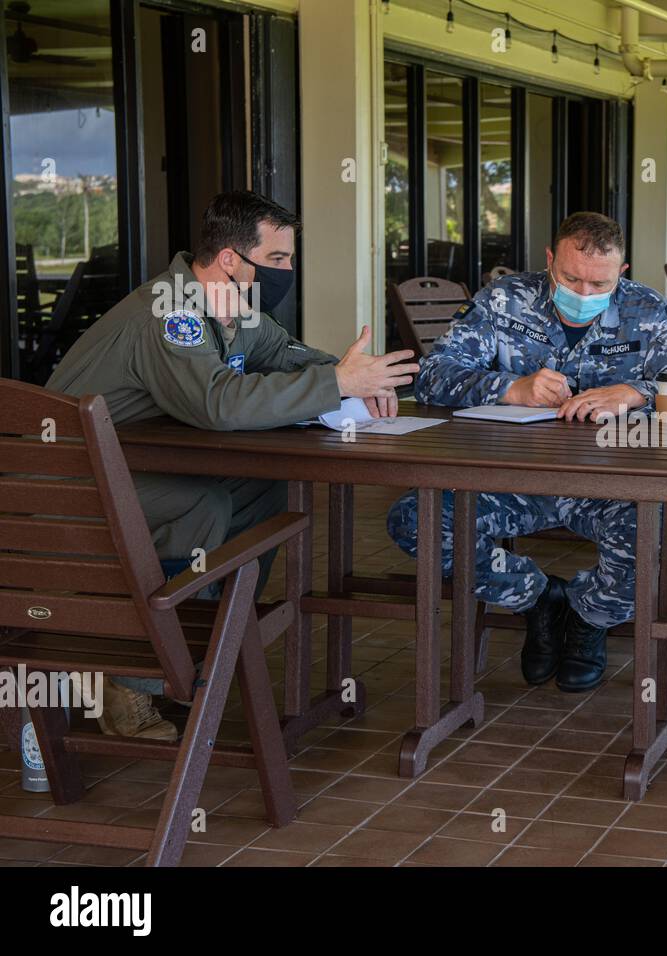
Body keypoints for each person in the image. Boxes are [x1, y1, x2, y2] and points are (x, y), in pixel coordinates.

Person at [47, 190, 420, 740]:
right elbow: (218, 404)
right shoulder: (172, 312)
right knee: (203, 503)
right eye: (277, 260)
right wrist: (338, 384)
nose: (287, 271)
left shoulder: (236, 309)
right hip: (64, 483)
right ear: (229, 259)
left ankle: (207, 648)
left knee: (260, 491)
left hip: (124, 467)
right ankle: (137, 681)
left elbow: (285, 354)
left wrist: (352, 373)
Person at [386, 212, 667, 692]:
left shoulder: (649, 312)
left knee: (654, 538)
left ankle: (588, 617)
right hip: (510, 482)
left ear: (621, 273)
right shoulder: (504, 300)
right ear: (549, 261)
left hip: (612, 488)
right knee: (416, 520)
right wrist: (509, 387)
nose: (583, 293)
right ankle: (537, 599)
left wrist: (636, 393)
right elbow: (433, 376)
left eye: (598, 282)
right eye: (570, 278)